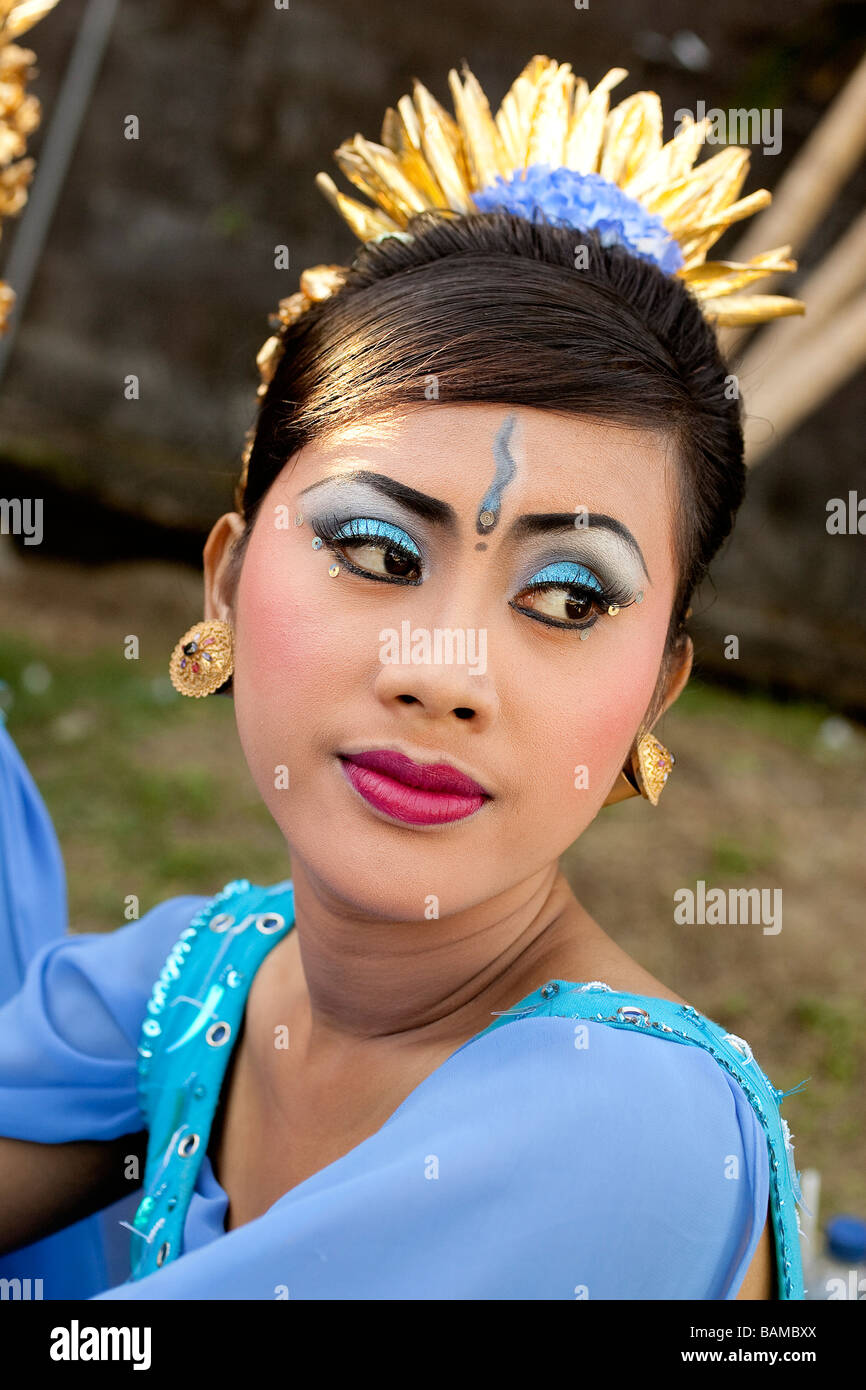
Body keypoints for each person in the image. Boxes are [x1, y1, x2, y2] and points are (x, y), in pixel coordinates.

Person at [0, 55, 808, 1300]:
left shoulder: (633, 1130)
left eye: (569, 598)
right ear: (222, 585)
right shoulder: (203, 979)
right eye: (377, 550)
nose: (446, 674)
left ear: (653, 695)